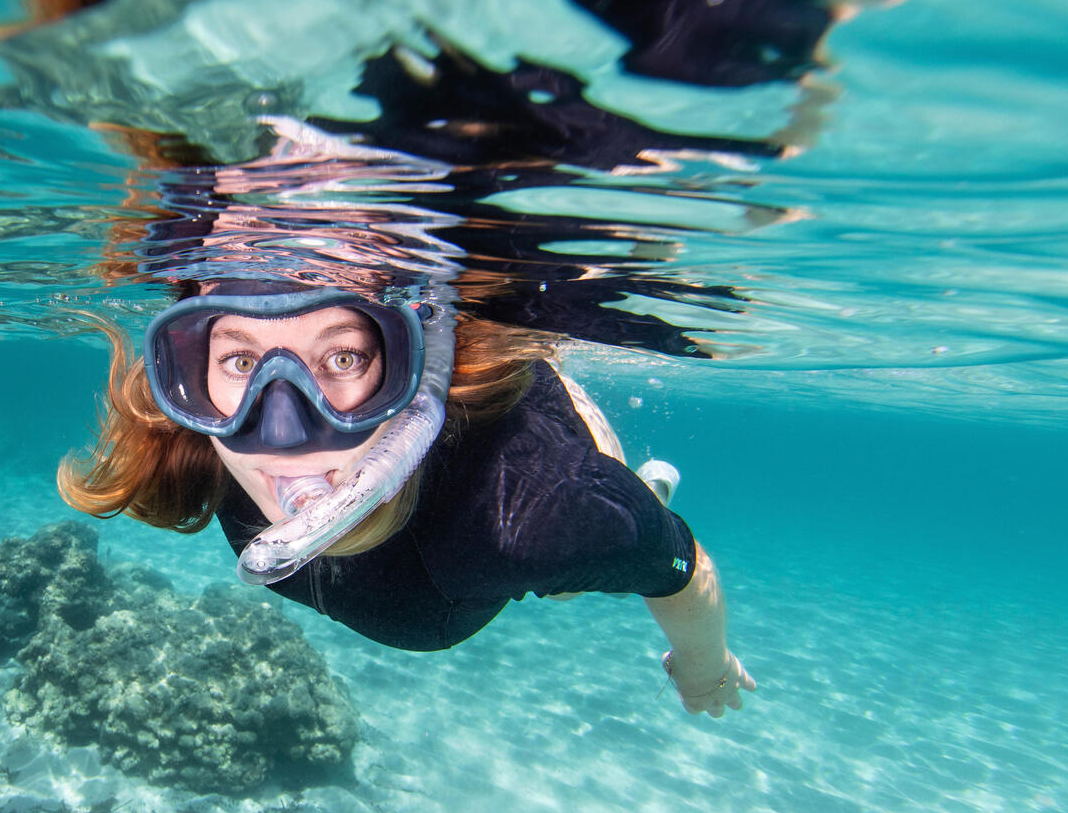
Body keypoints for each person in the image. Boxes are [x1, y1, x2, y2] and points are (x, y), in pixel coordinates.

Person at [59, 275, 755, 718]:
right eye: (241, 361)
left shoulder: (529, 510)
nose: (284, 433)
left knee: (578, 568)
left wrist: (705, 664)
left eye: (344, 357)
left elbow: (682, 569)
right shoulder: (203, 449)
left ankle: (642, 486)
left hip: (519, 414)